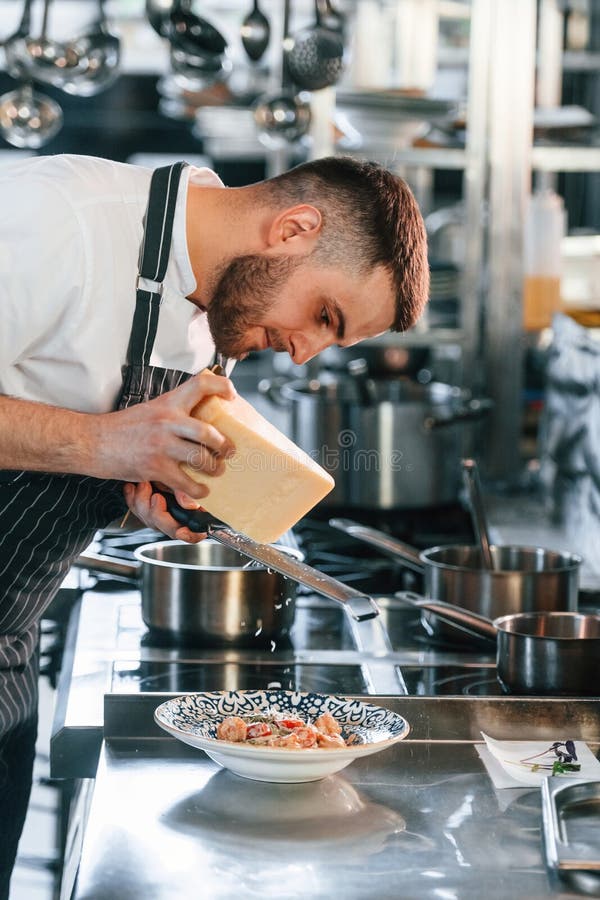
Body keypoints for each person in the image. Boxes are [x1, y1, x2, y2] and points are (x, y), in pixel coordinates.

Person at [0, 152, 429, 895]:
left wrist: (138, 483)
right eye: (325, 316)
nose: (304, 351)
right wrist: (103, 443)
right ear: (294, 229)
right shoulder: (58, 217)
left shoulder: (213, 325)